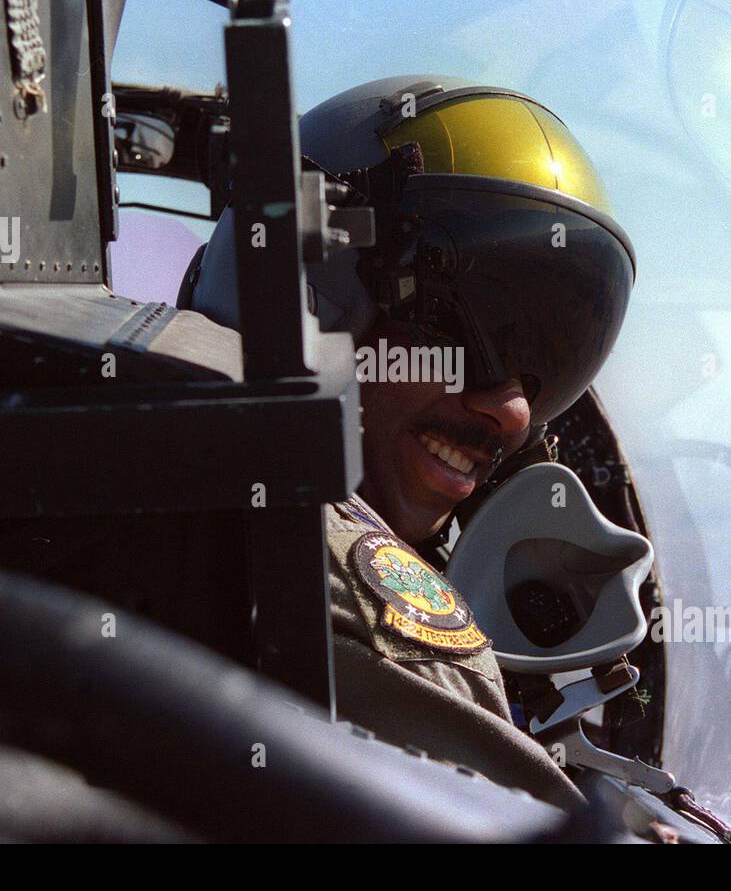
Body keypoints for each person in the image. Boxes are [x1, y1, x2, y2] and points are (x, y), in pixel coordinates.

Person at [181, 76, 636, 810]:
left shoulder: (174, 470)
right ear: (312, 303)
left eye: (538, 366)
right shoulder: (360, 601)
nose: (515, 412)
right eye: (462, 330)